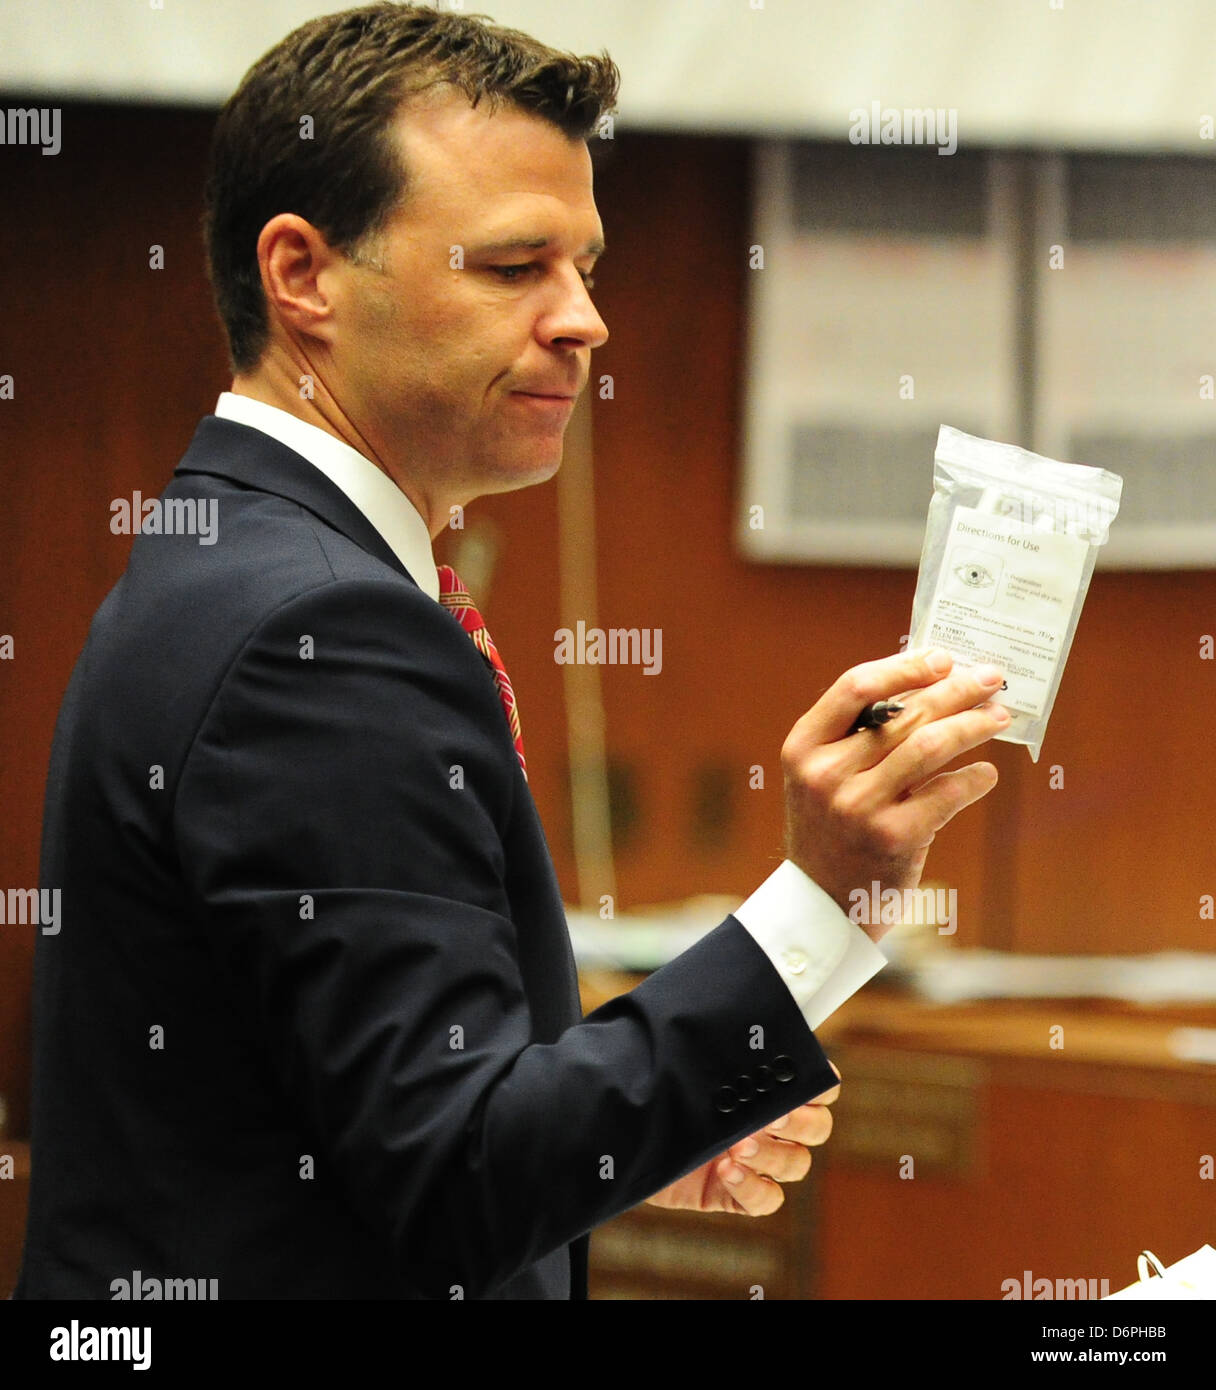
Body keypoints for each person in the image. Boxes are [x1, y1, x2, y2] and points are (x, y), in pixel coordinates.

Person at [14, 3, 1008, 1301]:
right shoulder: (316, 632)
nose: (584, 319)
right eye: (512, 266)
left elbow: (371, 1116)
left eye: (585, 264)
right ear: (303, 275)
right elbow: (459, 1173)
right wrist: (826, 897)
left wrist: (626, 1128)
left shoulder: (228, 553)